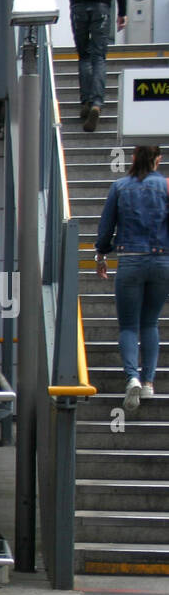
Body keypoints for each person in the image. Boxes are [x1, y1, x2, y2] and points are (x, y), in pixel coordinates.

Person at [95, 145, 169, 412]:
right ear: (158, 160)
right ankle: (148, 382)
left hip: (130, 260)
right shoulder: (167, 186)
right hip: (162, 261)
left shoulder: (119, 187)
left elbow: (106, 227)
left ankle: (132, 377)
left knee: (128, 326)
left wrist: (101, 255)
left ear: (134, 159)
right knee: (150, 323)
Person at [60, 0, 128, 132]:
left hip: (79, 7)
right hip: (101, 7)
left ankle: (86, 102)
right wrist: (122, 12)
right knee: (99, 57)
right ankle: (96, 103)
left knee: (84, 56)